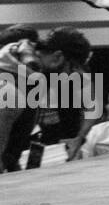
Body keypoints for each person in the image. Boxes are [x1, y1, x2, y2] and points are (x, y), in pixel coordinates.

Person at [1, 26, 97, 171]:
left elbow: (93, 105)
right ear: (58, 57)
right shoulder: (17, 74)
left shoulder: (35, 66)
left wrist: (79, 138)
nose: (71, 76)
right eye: (71, 70)